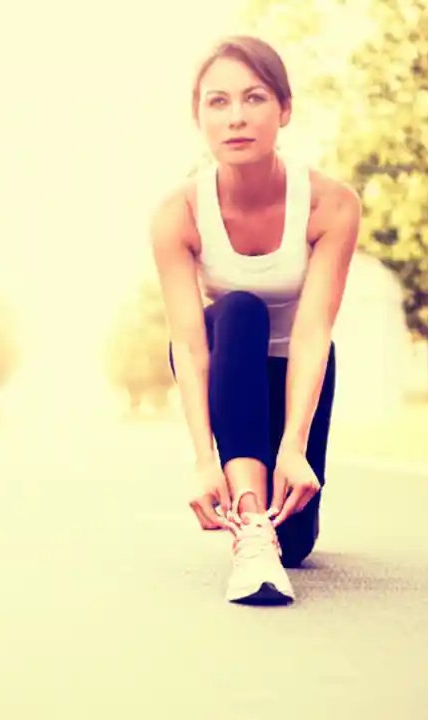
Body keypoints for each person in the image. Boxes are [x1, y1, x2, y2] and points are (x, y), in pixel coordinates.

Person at [148, 35, 361, 605]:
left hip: (295, 371)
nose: (236, 117)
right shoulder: (179, 212)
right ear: (199, 117)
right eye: (217, 102)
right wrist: (202, 460)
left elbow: (315, 330)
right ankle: (250, 528)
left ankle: (273, 531)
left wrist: (292, 445)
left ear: (284, 110)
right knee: (240, 308)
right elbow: (190, 346)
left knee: (297, 542)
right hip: (227, 363)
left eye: (255, 98)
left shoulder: (330, 204)